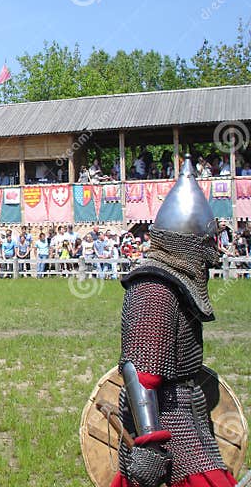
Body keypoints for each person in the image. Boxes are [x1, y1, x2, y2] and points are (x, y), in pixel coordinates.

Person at [111, 156, 236, 487]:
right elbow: (142, 374)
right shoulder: (154, 287)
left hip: (185, 415)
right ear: (190, 242)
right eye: (210, 242)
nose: (216, 251)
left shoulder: (175, 281)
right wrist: (150, 445)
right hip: (164, 425)